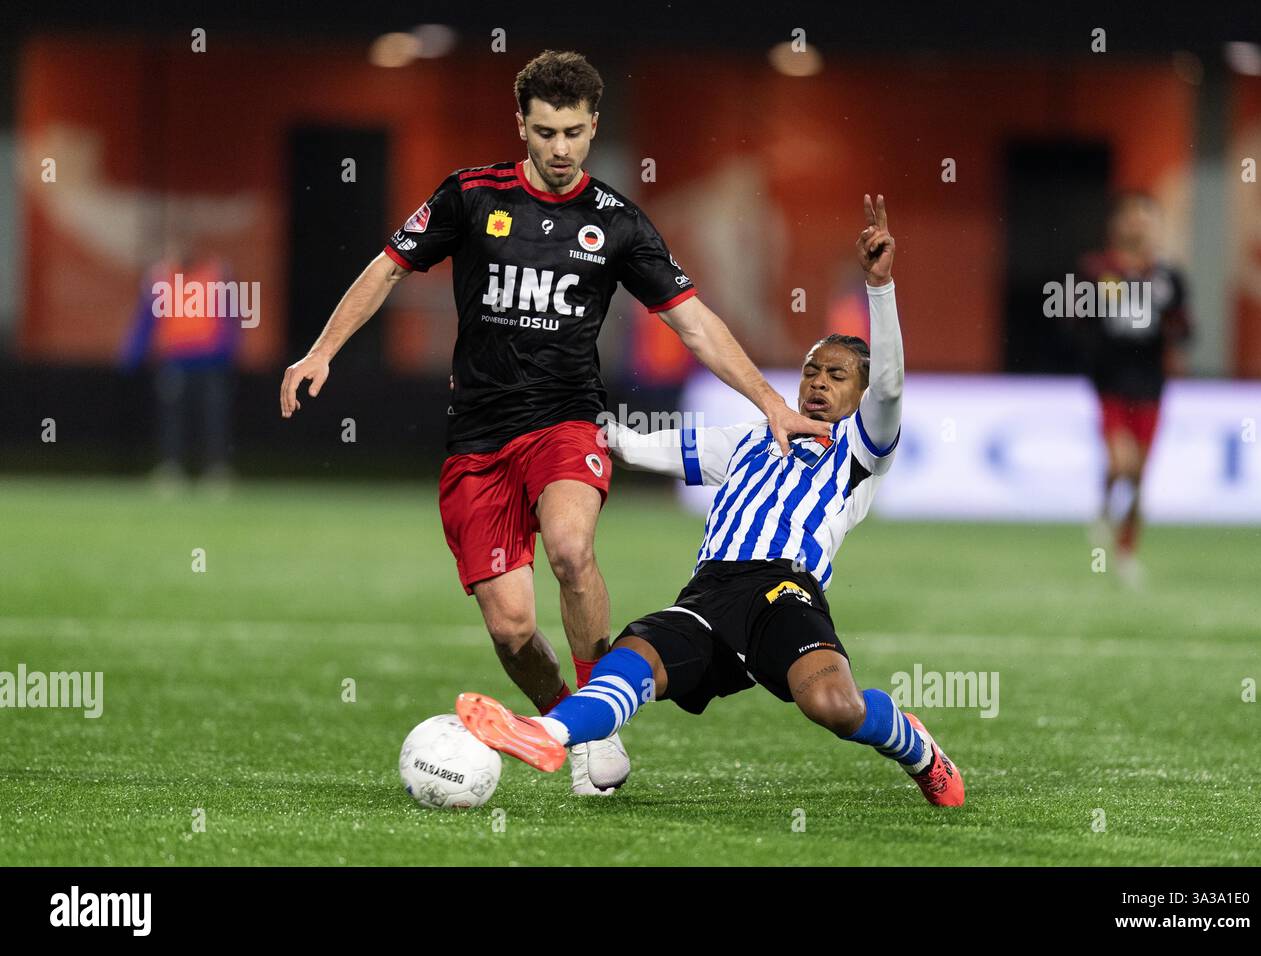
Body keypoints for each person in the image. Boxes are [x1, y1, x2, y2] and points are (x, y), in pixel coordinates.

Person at [279, 50, 827, 795]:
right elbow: (386, 268)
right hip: (477, 438)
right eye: (545, 132)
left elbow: (693, 322)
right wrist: (322, 351)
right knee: (509, 629)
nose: (560, 149)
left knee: (571, 550)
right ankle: (565, 723)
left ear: (593, 125)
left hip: (568, 421)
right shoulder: (469, 197)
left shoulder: (618, 223)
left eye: (573, 132)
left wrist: (770, 402)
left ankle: (601, 718)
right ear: (522, 126)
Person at [456, 195, 966, 807]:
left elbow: (890, 385)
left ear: (859, 392)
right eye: (811, 372)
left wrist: (878, 287)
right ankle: (543, 732)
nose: (819, 384)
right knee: (632, 659)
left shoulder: (862, 448)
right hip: (707, 595)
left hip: (783, 592)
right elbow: (640, 447)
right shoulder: (751, 438)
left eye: (836, 376)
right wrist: (579, 425)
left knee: (834, 706)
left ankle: (918, 750)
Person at [1076, 192, 1192, 587]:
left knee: (1141, 475)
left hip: (1151, 385)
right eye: (1132, 218)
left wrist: (1171, 324)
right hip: (1111, 383)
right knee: (1120, 464)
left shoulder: (1167, 277)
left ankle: (1126, 553)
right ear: (1117, 225)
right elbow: (1076, 322)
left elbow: (1185, 327)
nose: (1138, 225)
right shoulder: (1097, 271)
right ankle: (1105, 510)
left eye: (1146, 218)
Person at [121, 243, 237, 493]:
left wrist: (230, 355)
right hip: (175, 361)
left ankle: (215, 471)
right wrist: (131, 355)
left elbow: (231, 319)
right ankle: (171, 469)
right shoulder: (161, 278)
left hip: (210, 361)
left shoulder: (216, 274)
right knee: (172, 420)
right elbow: (146, 320)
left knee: (213, 418)